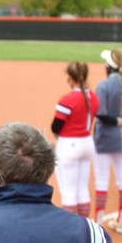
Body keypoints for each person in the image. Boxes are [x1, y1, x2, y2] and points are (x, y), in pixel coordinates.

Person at [93, 49, 122, 233]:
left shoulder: (103, 85)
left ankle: (98, 221)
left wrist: (116, 121)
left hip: (105, 138)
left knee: (102, 180)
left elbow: (101, 115)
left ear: (107, 67)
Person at [51, 61, 98, 217]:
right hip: (87, 143)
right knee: (82, 189)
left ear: (71, 78)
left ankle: (73, 231)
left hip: (69, 145)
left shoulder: (68, 99)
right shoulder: (93, 97)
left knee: (68, 191)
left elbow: (56, 126)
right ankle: (85, 225)